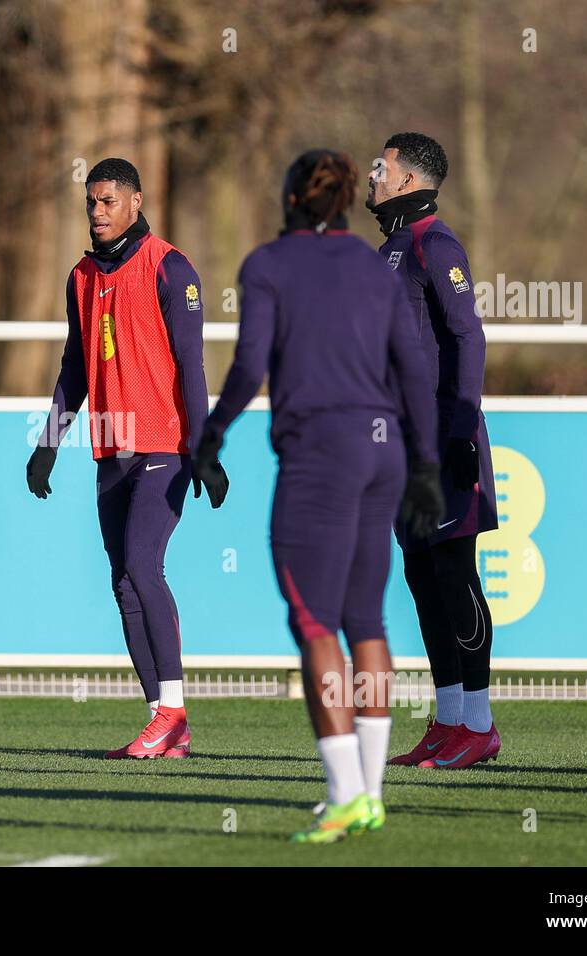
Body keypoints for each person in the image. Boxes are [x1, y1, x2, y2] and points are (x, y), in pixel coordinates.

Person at [197, 149, 442, 843]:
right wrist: (423, 463)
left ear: (291, 198)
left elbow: (250, 366)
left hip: (321, 453)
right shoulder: (374, 266)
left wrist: (211, 434)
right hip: (384, 449)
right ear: (340, 204)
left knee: (314, 625)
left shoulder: (269, 266)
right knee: (368, 623)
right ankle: (369, 792)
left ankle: (344, 794)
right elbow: (413, 372)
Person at [27, 157, 228, 759]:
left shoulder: (171, 267)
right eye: (91, 202)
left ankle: (173, 710)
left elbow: (192, 366)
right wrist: (48, 444)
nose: (97, 212)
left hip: (164, 446)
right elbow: (73, 369)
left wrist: (205, 448)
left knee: (144, 564)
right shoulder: (81, 277)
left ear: (137, 202)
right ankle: (162, 722)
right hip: (109, 449)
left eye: (109, 200)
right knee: (122, 581)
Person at [366, 132, 500, 769]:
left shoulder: (434, 243)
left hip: (443, 442)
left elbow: (468, 338)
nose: (372, 175)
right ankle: (447, 721)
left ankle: (480, 723)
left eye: (381, 168)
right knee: (422, 577)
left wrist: (459, 434)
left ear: (408, 181)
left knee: (454, 572)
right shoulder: (391, 249)